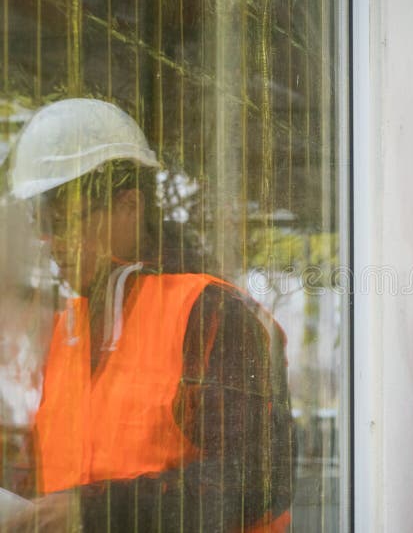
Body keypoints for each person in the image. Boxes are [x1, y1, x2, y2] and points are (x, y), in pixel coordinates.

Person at [3, 98, 292, 532]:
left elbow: (257, 481)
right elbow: (60, 472)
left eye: (64, 221)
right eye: (43, 226)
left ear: (129, 208)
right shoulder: (70, 327)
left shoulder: (211, 313)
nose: (52, 243)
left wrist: (91, 512)